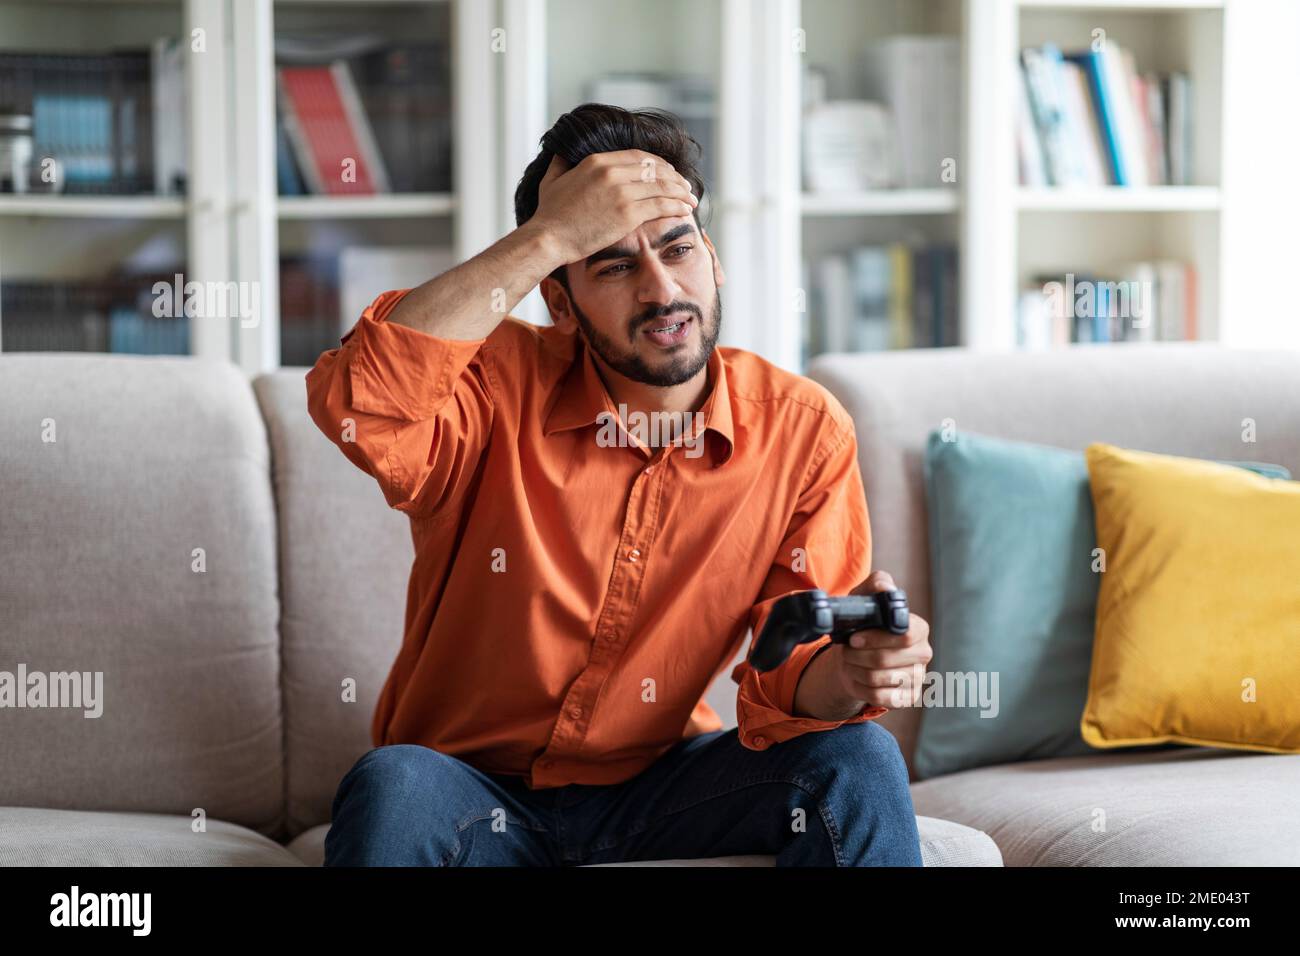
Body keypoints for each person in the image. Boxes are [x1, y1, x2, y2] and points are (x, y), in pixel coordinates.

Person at [306, 103, 932, 867]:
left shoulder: (801, 431)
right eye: (612, 263)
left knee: (858, 757)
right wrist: (548, 236)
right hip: (468, 792)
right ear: (560, 300)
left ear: (715, 257)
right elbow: (358, 407)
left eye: (678, 248)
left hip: (667, 789)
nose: (662, 290)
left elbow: (789, 673)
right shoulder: (490, 382)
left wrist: (852, 673)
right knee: (393, 784)